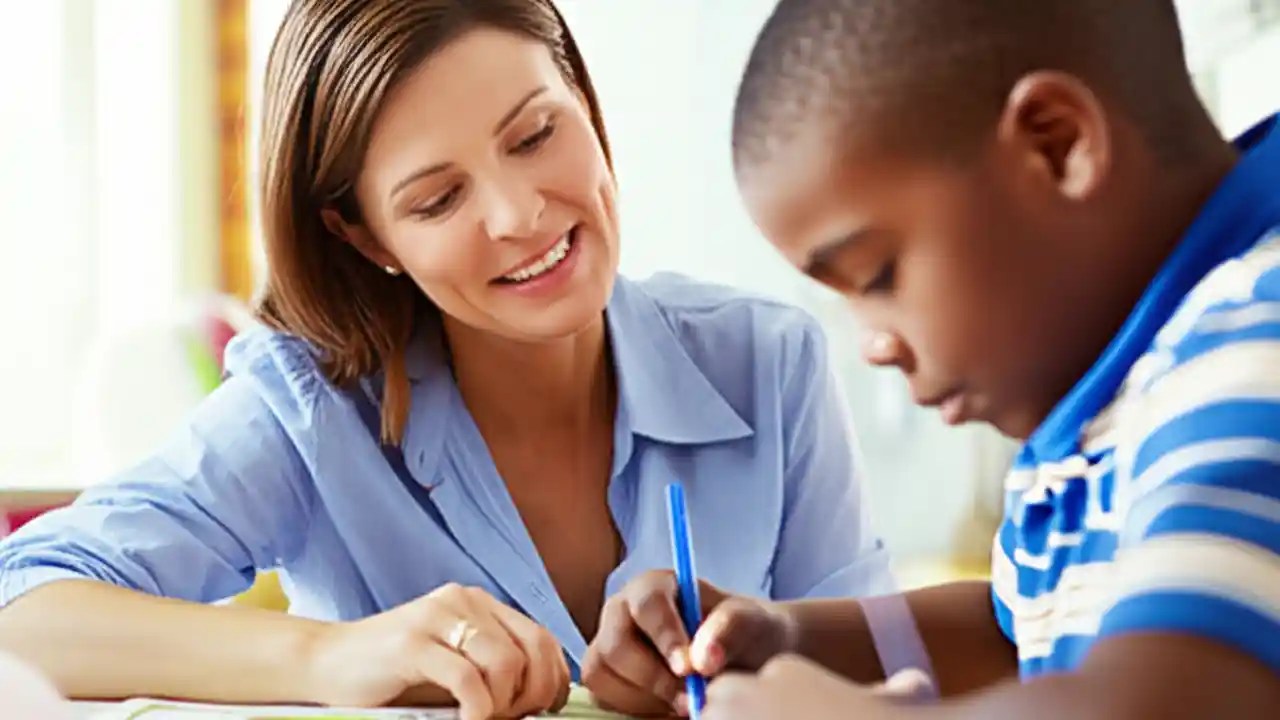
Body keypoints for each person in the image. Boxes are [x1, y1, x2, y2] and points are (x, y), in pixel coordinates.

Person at [0, 1, 893, 718]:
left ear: (582, 99)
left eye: (535, 136)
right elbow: (20, 611)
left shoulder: (769, 363)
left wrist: (744, 669)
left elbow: (890, 674)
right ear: (365, 238)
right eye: (436, 200)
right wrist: (334, 657)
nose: (518, 216)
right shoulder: (312, 407)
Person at [587, 0, 1280, 717]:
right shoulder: (1101, 396)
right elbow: (1021, 634)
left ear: (1057, 145)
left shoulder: (1252, 344)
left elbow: (1159, 701)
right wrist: (786, 638)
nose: (876, 344)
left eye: (880, 276)